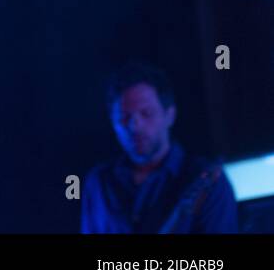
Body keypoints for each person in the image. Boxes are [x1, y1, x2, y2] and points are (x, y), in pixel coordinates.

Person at [81, 62, 238, 233]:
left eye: (146, 113)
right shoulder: (98, 183)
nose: (135, 126)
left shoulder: (208, 179)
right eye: (124, 117)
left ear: (170, 115)